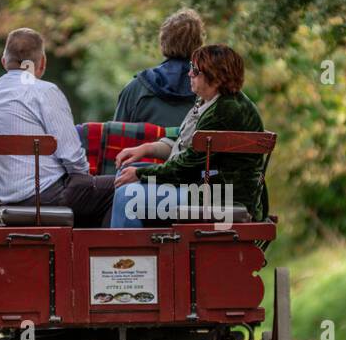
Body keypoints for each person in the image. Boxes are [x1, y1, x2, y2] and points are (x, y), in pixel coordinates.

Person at [110, 44, 267, 227]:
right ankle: (148, 250)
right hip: (204, 186)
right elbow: (186, 146)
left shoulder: (225, 110)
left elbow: (186, 167)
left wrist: (140, 173)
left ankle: (132, 255)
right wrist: (146, 150)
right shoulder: (211, 102)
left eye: (195, 70)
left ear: (215, 78)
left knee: (127, 197)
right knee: (125, 175)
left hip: (220, 197)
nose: (189, 74)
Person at [0, 28, 113, 227]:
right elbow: (72, 157)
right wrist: (84, 181)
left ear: (4, 61)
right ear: (42, 63)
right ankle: (99, 253)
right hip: (42, 198)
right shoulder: (45, 91)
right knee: (118, 188)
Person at [111, 8, 205, 128]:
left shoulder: (136, 89)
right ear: (199, 45)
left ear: (163, 42)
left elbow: (115, 137)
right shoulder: (210, 91)